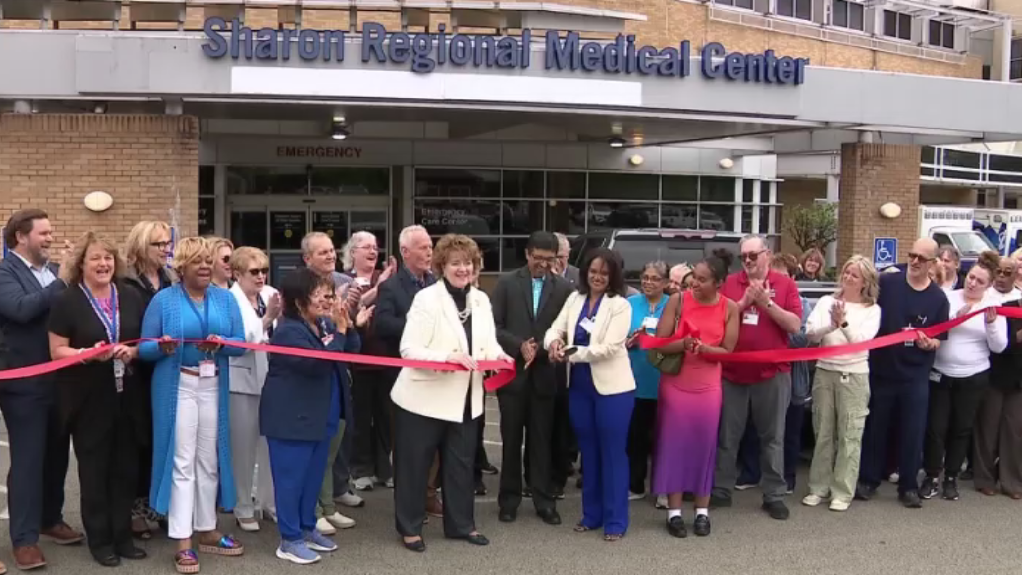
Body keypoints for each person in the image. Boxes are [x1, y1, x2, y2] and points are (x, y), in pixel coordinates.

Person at [391, 234, 510, 552]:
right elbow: (408, 349)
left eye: (468, 263)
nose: (463, 269)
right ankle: (410, 527)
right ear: (442, 265)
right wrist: (447, 358)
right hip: (423, 399)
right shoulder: (427, 299)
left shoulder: (482, 299)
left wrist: (501, 356)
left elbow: (487, 341)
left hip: (465, 400)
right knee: (415, 466)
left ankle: (461, 525)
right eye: (456, 263)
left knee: (460, 465)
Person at [138, 236, 247, 573]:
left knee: (209, 459)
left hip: (213, 384)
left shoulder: (226, 299)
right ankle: (183, 540)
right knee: (182, 461)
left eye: (208, 260)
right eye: (196, 261)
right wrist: (162, 347)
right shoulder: (163, 301)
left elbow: (240, 345)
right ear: (181, 267)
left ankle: (208, 530)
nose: (204, 266)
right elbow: (143, 349)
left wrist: (223, 344)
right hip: (178, 385)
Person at [47, 232, 146, 566]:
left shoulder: (130, 296)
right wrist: (86, 354)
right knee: (94, 471)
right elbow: (56, 351)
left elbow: (142, 341)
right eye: (95, 259)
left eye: (108, 258)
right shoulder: (67, 300)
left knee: (125, 470)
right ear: (81, 265)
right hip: (88, 398)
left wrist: (132, 351)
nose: (103, 264)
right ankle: (101, 540)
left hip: (128, 396)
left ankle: (123, 537)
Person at [261, 267, 365, 564]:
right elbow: (318, 364)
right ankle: (289, 539)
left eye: (329, 294)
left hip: (320, 415)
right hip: (292, 419)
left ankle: (307, 528)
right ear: (298, 301)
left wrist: (348, 326)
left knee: (312, 478)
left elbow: (351, 351)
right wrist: (340, 332)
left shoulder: (321, 324)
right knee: (291, 480)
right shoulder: (288, 331)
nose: (327, 300)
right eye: (319, 295)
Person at [0, 209, 84, 571]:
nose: (50, 238)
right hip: (23, 382)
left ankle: (50, 518)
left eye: (51, 233)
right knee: (29, 461)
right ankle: (24, 539)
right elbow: (20, 310)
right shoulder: (5, 271)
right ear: (21, 236)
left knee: (56, 455)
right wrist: (62, 281)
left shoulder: (50, 273)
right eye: (44, 233)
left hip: (58, 379)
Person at [545, 247, 635, 542]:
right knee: (590, 452)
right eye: (593, 271)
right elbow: (554, 329)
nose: (597, 277)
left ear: (613, 276)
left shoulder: (620, 305)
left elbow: (609, 348)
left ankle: (616, 520)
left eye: (604, 273)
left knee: (612, 453)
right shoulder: (575, 298)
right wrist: (553, 344)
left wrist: (569, 353)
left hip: (613, 389)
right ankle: (591, 515)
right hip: (580, 386)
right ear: (585, 272)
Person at [711, 235, 802, 520]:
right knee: (727, 436)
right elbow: (716, 323)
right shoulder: (729, 284)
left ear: (767, 255)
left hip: (772, 375)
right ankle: (721, 489)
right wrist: (742, 303)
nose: (748, 262)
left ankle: (773, 494)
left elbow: (795, 325)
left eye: (753, 256)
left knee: (772, 437)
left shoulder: (785, 284)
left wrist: (766, 303)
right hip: (732, 374)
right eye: (744, 257)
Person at [649, 251, 738, 538]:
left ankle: (702, 511)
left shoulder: (730, 308)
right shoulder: (677, 300)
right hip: (677, 384)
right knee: (674, 445)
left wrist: (706, 349)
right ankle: (674, 513)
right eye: (693, 278)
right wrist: (684, 343)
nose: (694, 285)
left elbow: (729, 349)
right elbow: (660, 343)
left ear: (719, 283)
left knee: (704, 446)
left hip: (708, 386)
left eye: (702, 280)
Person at [857, 238, 950, 509]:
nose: (915, 261)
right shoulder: (888, 284)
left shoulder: (938, 299)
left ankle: (908, 485)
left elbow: (939, 339)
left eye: (922, 258)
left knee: (912, 431)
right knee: (876, 429)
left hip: (915, 375)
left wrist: (929, 343)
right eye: (912, 255)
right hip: (883, 371)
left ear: (933, 263)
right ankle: (869, 480)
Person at [491, 231, 573, 525]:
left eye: (548, 260)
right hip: (513, 376)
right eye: (537, 259)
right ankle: (508, 500)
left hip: (545, 376)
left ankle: (543, 500)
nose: (542, 265)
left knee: (541, 442)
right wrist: (518, 345)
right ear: (527, 254)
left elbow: (564, 330)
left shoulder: (564, 288)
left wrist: (547, 347)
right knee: (511, 441)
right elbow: (495, 326)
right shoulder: (507, 283)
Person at [921, 251, 1006, 502]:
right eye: (970, 277)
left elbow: (999, 346)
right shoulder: (948, 298)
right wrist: (953, 320)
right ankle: (931, 475)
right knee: (936, 428)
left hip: (973, 375)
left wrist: (991, 324)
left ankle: (951, 478)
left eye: (980, 281)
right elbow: (934, 329)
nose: (972, 283)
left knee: (961, 429)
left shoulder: (993, 308)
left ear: (988, 285)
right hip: (941, 373)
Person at [802, 256, 882, 512]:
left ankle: (842, 491)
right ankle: (818, 487)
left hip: (854, 375)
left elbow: (861, 341)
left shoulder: (873, 309)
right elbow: (811, 333)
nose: (848, 278)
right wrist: (831, 323)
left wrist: (843, 323)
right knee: (823, 431)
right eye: (847, 272)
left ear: (865, 282)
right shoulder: (827, 301)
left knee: (849, 435)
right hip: (825, 372)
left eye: (854, 275)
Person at [375, 225, 444, 519]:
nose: (430, 252)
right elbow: (383, 324)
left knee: (436, 442)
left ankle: (429, 493)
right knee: (407, 444)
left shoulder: (438, 283)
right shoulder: (391, 287)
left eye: (431, 246)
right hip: (404, 376)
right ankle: (409, 501)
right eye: (423, 247)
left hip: (437, 378)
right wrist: (420, 331)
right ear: (405, 252)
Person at [735, 253, 813, 494]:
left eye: (782, 275)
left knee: (783, 432)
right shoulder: (749, 295)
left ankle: (784, 480)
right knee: (750, 428)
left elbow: (800, 338)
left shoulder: (802, 303)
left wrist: (771, 310)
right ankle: (750, 473)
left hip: (787, 376)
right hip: (749, 373)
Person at [301, 231, 363, 511]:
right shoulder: (298, 291)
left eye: (331, 251)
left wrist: (346, 323)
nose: (330, 256)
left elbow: (352, 347)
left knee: (334, 446)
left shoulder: (343, 284)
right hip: (313, 383)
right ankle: (312, 509)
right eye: (322, 252)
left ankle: (329, 502)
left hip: (339, 378)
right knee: (315, 451)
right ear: (307, 258)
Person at [122, 220, 175, 539]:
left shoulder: (170, 281)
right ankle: (135, 509)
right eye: (159, 244)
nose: (166, 249)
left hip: (166, 369)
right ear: (142, 246)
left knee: (165, 441)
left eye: (168, 243)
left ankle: (160, 506)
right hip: (136, 372)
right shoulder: (126, 283)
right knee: (138, 443)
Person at [227, 247, 281, 532]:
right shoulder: (229, 300)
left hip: (271, 378)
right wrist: (268, 319)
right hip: (241, 380)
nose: (261, 277)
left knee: (270, 445)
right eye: (254, 272)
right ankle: (243, 506)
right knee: (243, 447)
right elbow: (239, 341)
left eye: (264, 270)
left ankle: (269, 503)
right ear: (237, 273)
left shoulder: (269, 294)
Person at [342, 231, 399, 492]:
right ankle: (361, 469)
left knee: (386, 416)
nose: (373, 252)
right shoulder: (345, 281)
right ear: (353, 252)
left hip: (387, 358)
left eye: (375, 247)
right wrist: (381, 286)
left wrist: (386, 282)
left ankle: (383, 468)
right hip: (359, 362)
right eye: (366, 247)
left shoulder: (387, 279)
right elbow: (346, 312)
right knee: (361, 417)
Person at [975, 256, 1022, 499]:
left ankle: (1012, 481)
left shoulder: (1020, 299)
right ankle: (984, 478)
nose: (1002, 277)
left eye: (1007, 273)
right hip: (991, 371)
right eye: (999, 273)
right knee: (988, 427)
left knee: (1014, 430)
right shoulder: (986, 298)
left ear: (1016, 275)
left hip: (1017, 375)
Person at [624, 261, 670, 500]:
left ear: (665, 282)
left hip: (664, 380)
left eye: (654, 278)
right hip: (635, 379)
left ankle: (663, 489)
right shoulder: (630, 304)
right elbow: (618, 337)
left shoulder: (672, 304)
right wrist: (628, 341)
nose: (648, 282)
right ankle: (635, 484)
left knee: (664, 439)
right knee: (636, 437)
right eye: (645, 277)